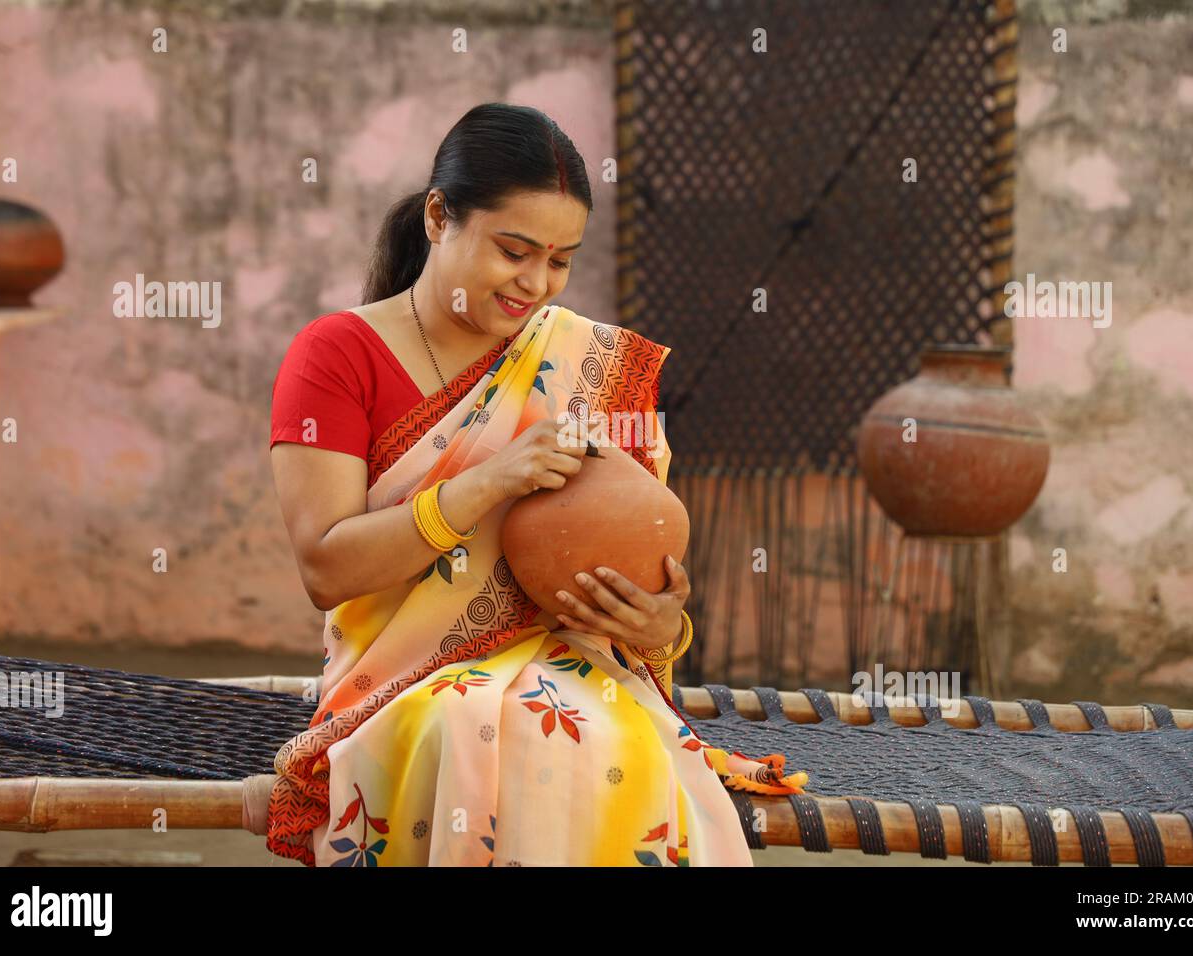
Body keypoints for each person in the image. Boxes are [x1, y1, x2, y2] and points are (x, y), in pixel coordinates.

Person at [265, 102, 807, 867]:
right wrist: (487, 482)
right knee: (473, 725)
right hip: (402, 686)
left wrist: (660, 624)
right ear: (437, 216)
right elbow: (326, 567)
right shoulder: (336, 356)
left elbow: (636, 554)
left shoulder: (593, 366)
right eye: (513, 250)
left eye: (560, 259)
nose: (536, 284)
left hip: (571, 670)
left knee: (596, 739)